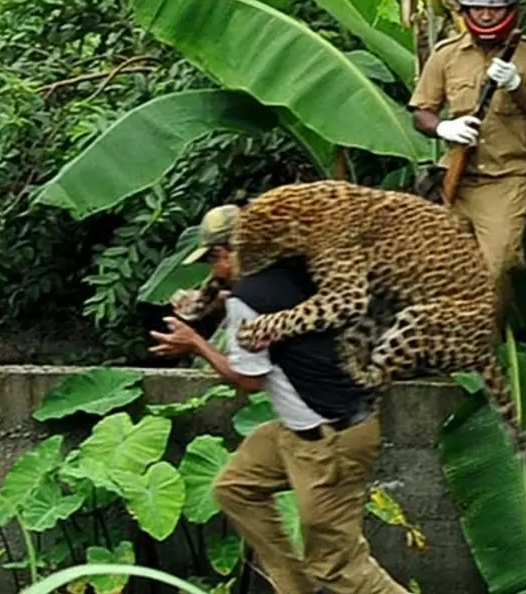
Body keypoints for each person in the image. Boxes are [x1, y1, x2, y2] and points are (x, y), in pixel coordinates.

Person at [149, 206, 410, 594]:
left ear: (225, 253)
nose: (212, 273)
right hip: (310, 426)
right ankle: (295, 587)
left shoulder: (248, 299)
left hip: (327, 441)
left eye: (212, 260)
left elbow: (249, 380)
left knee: (339, 568)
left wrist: (196, 344)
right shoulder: (303, 271)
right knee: (235, 488)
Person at [407, 0, 526, 330]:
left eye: (495, 8)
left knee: (497, 265)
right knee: (437, 269)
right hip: (455, 178)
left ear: (511, 8)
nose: (486, 14)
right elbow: (420, 112)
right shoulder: (447, 54)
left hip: (506, 179)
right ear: (465, 9)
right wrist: (444, 127)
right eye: (477, 7)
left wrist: (516, 85)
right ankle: (440, 345)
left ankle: (484, 345)